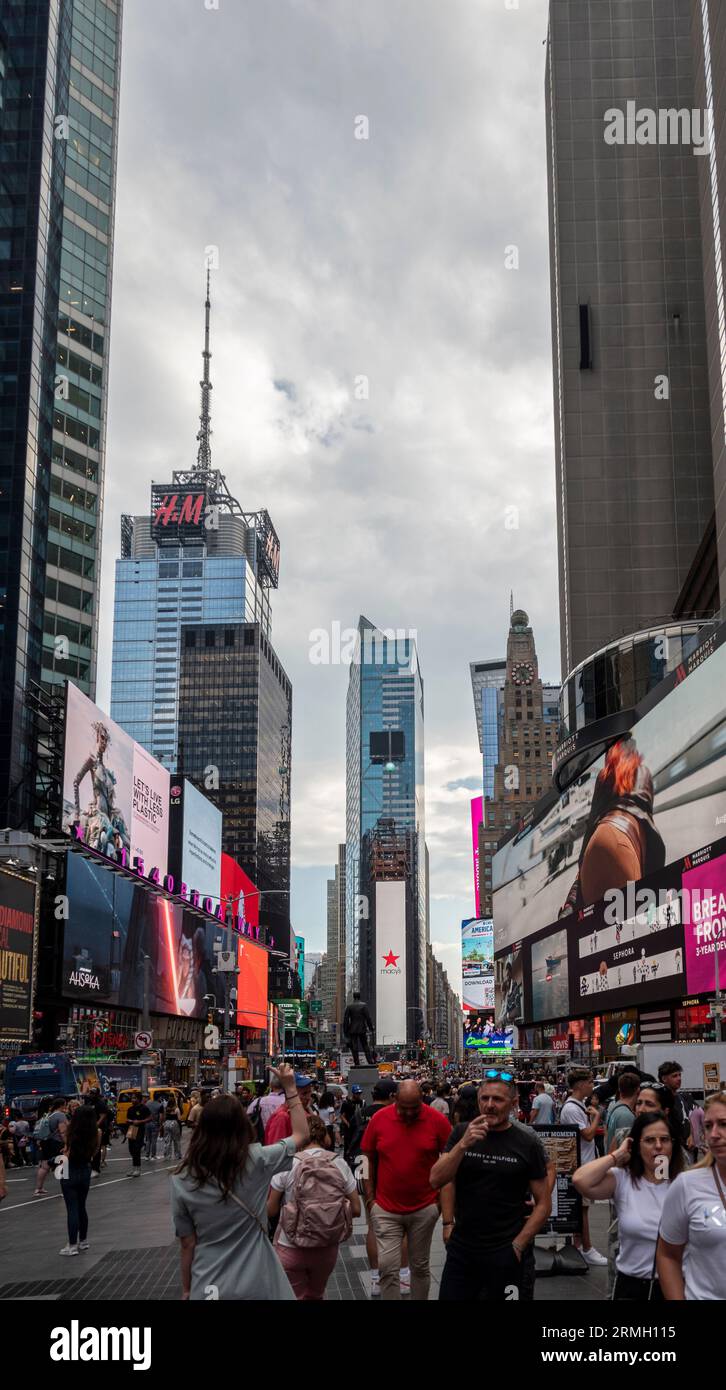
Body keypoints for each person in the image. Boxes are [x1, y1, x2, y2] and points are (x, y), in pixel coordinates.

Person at [171, 1064, 308, 1300]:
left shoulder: (181, 1179)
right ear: (242, 1126)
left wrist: (187, 1289)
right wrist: (290, 1089)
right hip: (258, 1276)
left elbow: (187, 1243)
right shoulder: (257, 1159)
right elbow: (301, 1136)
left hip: (209, 1281)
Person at [431, 1071, 550, 1300]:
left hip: (506, 1249)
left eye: (498, 1099)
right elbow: (437, 1179)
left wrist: (518, 1245)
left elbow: (544, 1204)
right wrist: (463, 1145)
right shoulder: (461, 1133)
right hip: (463, 1248)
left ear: (514, 1103)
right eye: (484, 1099)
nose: (490, 1105)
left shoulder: (527, 1142)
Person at [574, 1112, 684, 1301]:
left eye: (664, 1139)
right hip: (631, 1286)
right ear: (636, 1145)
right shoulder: (623, 1178)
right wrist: (617, 1155)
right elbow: (580, 1180)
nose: (658, 1146)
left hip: (676, 1286)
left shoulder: (685, 1183)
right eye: (649, 1140)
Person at [361, 1080, 451, 1301]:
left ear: (422, 1100)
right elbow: (366, 1158)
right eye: (404, 1108)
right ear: (394, 1100)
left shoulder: (437, 1120)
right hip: (385, 1208)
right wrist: (370, 1199)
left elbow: (450, 1162)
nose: (409, 1113)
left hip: (424, 1208)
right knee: (387, 1267)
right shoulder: (380, 1119)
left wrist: (439, 1204)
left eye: (415, 1108)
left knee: (420, 1266)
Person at [559, 738, 665, 917]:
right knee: (650, 920)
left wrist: (582, 867)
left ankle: (570, 904)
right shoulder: (644, 772)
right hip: (628, 839)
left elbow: (592, 824)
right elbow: (646, 818)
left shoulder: (603, 776)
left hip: (601, 837)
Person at [267, 1113, 360, 1300]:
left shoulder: (287, 1163)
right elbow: (356, 1209)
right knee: (316, 1295)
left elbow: (271, 1210)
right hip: (326, 1247)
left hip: (290, 1245)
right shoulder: (338, 1163)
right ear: (324, 1135)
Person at [657, 1090, 726, 1300]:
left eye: (724, 1124)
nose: (713, 1134)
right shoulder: (688, 1185)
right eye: (708, 1126)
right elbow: (668, 1254)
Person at [559, 1068, 607, 1265]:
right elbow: (587, 1134)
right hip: (579, 1166)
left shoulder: (578, 1106)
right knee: (583, 1209)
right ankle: (587, 1248)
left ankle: (579, 1246)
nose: (591, 1086)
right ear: (579, 1085)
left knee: (582, 1208)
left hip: (584, 1164)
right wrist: (597, 1116)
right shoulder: (571, 1109)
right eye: (589, 1082)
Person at [58, 1103, 101, 1256]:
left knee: (72, 1209)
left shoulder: (72, 1133)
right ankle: (83, 1241)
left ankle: (71, 1245)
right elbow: (95, 1151)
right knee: (82, 1206)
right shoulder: (97, 1132)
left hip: (70, 1171)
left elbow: (67, 1155)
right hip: (85, 1169)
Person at [265, 1074, 317, 1144]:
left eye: (309, 1092)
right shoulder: (282, 1117)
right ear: (290, 1094)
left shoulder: (303, 1112)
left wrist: (309, 1109)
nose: (308, 1097)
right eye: (304, 1094)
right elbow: (276, 1152)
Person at [657, 1061, 695, 1152]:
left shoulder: (684, 1097)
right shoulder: (660, 1101)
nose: (679, 1078)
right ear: (664, 1079)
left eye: (679, 1075)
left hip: (688, 1151)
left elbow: (694, 1116)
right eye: (674, 1076)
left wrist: (692, 1135)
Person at [34, 1098, 68, 1196]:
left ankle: (38, 1188)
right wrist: (67, 1144)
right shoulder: (60, 1115)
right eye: (65, 1104)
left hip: (46, 1142)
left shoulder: (47, 1115)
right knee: (63, 1165)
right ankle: (65, 1190)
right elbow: (63, 1132)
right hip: (57, 1143)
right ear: (61, 1105)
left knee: (44, 1166)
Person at [606, 1072, 639, 1149]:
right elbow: (623, 1151)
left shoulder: (614, 1106)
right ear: (638, 1090)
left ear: (620, 1089)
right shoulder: (626, 1115)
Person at [342, 992, 376, 1067]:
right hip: (362, 1028)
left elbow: (346, 1020)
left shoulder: (349, 1006)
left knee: (354, 1047)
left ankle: (357, 1063)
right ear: (359, 996)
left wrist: (346, 1032)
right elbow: (368, 1018)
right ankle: (370, 1061)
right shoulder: (363, 1006)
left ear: (354, 997)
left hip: (352, 1029)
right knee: (365, 1045)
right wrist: (371, 1028)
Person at [126, 1092, 151, 1176]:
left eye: (134, 1098)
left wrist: (140, 1121)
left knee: (137, 1149)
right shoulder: (130, 1109)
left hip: (139, 1130)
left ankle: (138, 1169)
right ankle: (134, 1168)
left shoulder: (143, 1108)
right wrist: (129, 1121)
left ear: (139, 1099)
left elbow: (150, 1118)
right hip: (131, 1129)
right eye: (132, 1098)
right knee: (131, 1149)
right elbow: (128, 1118)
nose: (132, 1099)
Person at [143, 1093, 163, 1160]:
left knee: (148, 1140)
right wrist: (160, 1125)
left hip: (147, 1123)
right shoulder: (160, 1105)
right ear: (159, 1098)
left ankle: (146, 1155)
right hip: (155, 1124)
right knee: (154, 1140)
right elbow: (161, 1117)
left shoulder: (147, 1103)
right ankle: (153, 1155)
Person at [163, 1096, 183, 1161]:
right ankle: (177, 1155)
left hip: (166, 1123)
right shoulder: (176, 1109)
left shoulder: (166, 1108)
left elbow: (164, 1117)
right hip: (174, 1123)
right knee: (176, 1140)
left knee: (167, 1140)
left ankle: (167, 1156)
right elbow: (179, 1119)